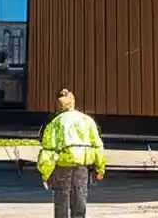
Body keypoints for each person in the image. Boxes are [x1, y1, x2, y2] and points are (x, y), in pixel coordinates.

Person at [37, 89, 106, 218]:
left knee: (61, 203)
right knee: (80, 201)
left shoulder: (54, 123)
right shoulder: (87, 120)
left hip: (61, 166)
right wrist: (100, 168)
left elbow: (48, 151)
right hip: (82, 165)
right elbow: (97, 146)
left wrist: (45, 173)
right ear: (73, 102)